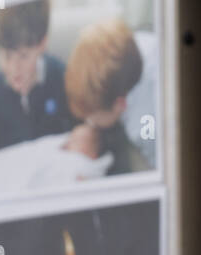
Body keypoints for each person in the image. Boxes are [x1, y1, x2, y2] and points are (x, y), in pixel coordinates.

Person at [0, 0, 74, 174]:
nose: (14, 70)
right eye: (6, 56)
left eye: (23, 56)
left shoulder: (64, 79)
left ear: (42, 44)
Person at [62, 17, 151, 176]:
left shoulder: (144, 128)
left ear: (119, 105)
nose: (88, 123)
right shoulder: (131, 47)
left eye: (92, 118)